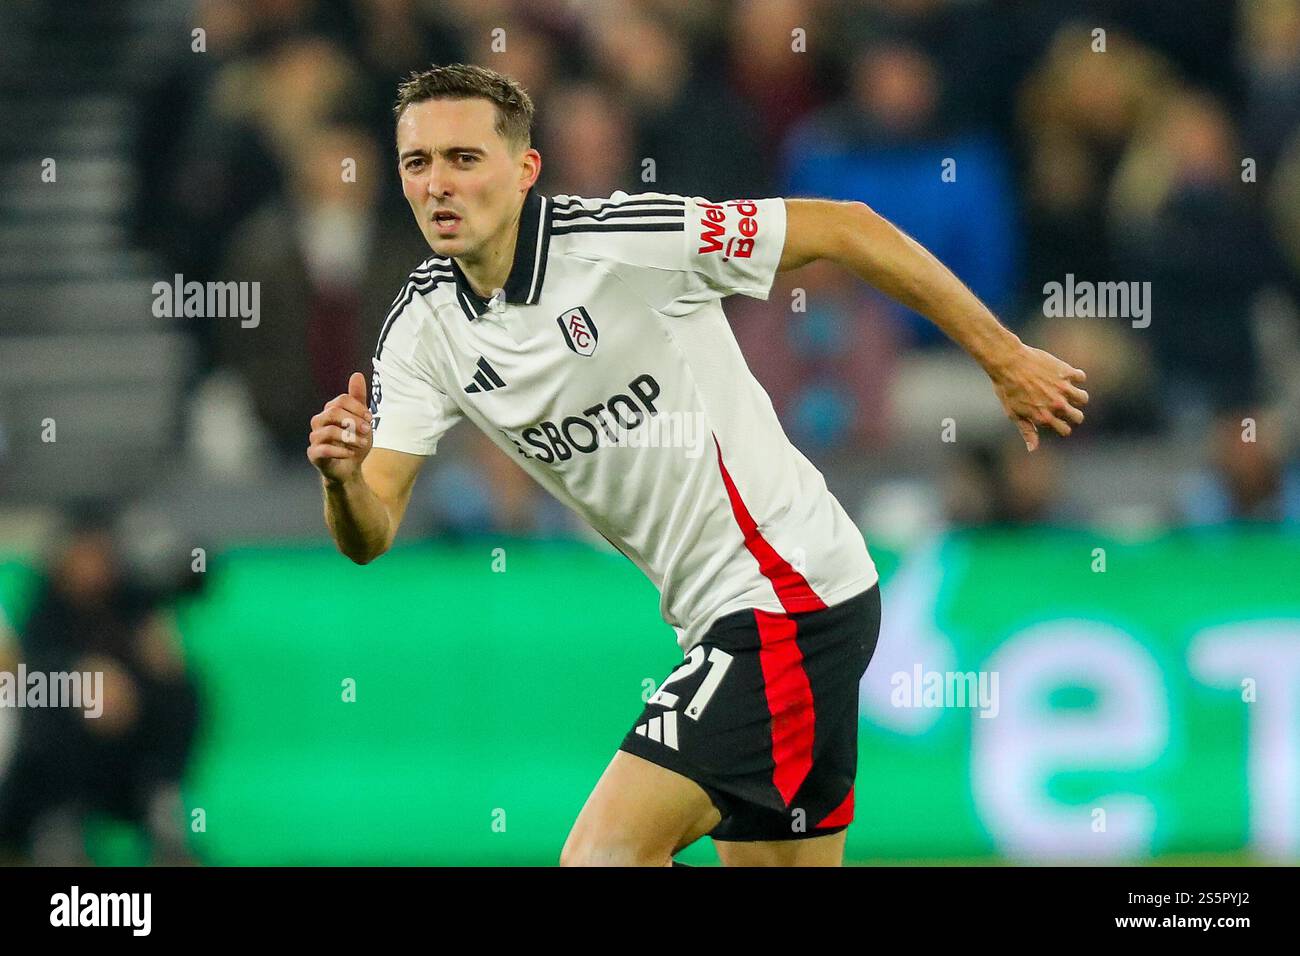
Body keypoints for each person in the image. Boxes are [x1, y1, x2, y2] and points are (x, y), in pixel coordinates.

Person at [306, 64, 1088, 866]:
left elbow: (849, 228)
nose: (438, 183)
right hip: (747, 614)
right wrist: (341, 480)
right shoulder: (422, 329)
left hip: (787, 599)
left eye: (464, 159)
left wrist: (1004, 357)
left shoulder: (628, 244)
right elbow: (371, 530)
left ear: (524, 169)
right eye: (417, 164)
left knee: (600, 860)